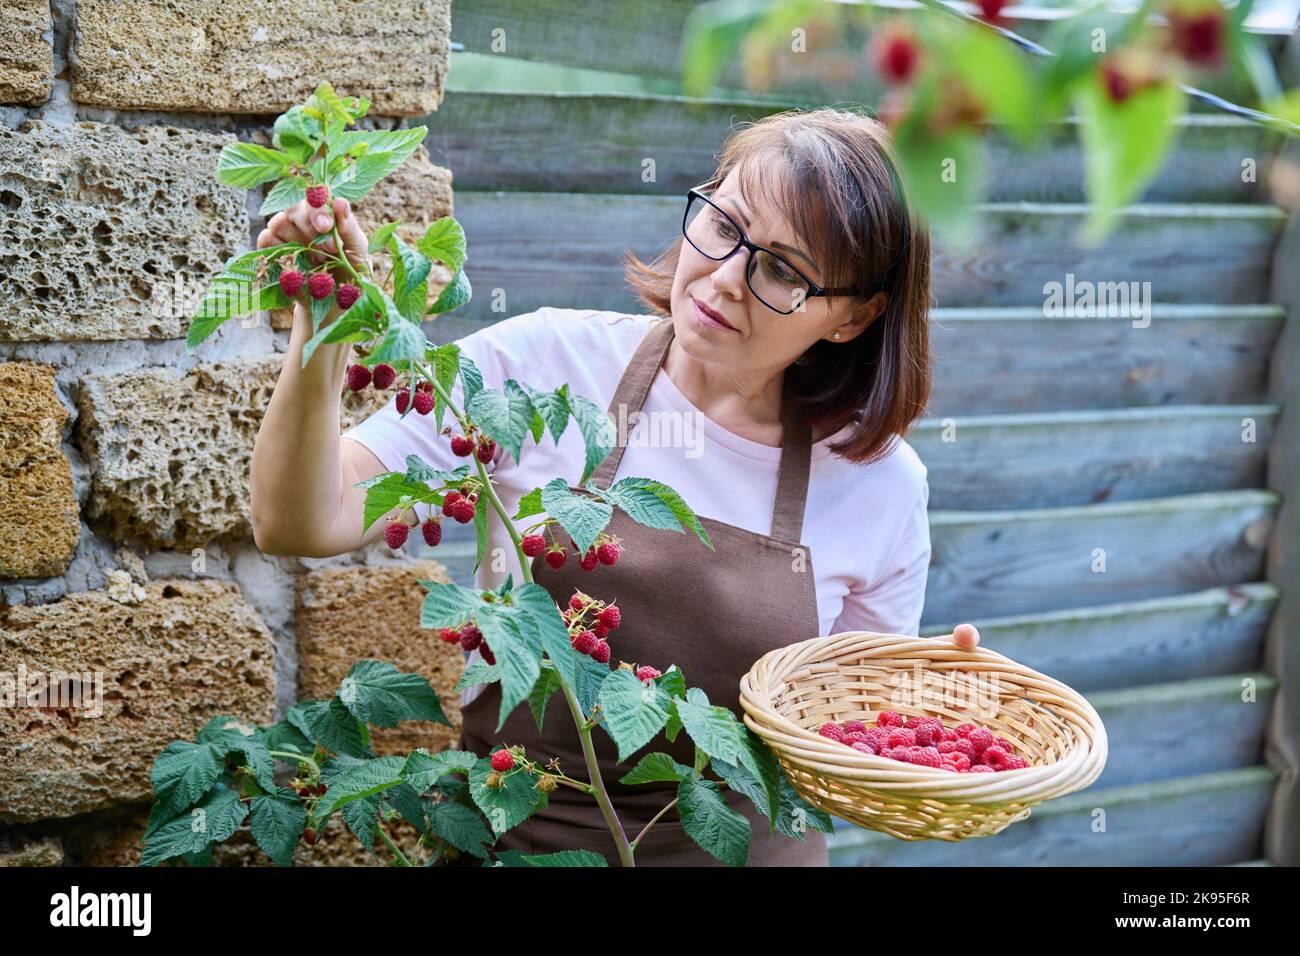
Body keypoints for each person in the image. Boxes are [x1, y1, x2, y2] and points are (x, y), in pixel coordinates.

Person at [250, 106, 982, 866]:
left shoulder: (880, 485)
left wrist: (929, 712)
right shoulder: (542, 366)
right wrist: (323, 329)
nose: (726, 279)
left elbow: (839, 756)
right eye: (724, 226)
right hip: (514, 848)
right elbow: (301, 520)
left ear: (854, 316)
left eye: (781, 271)